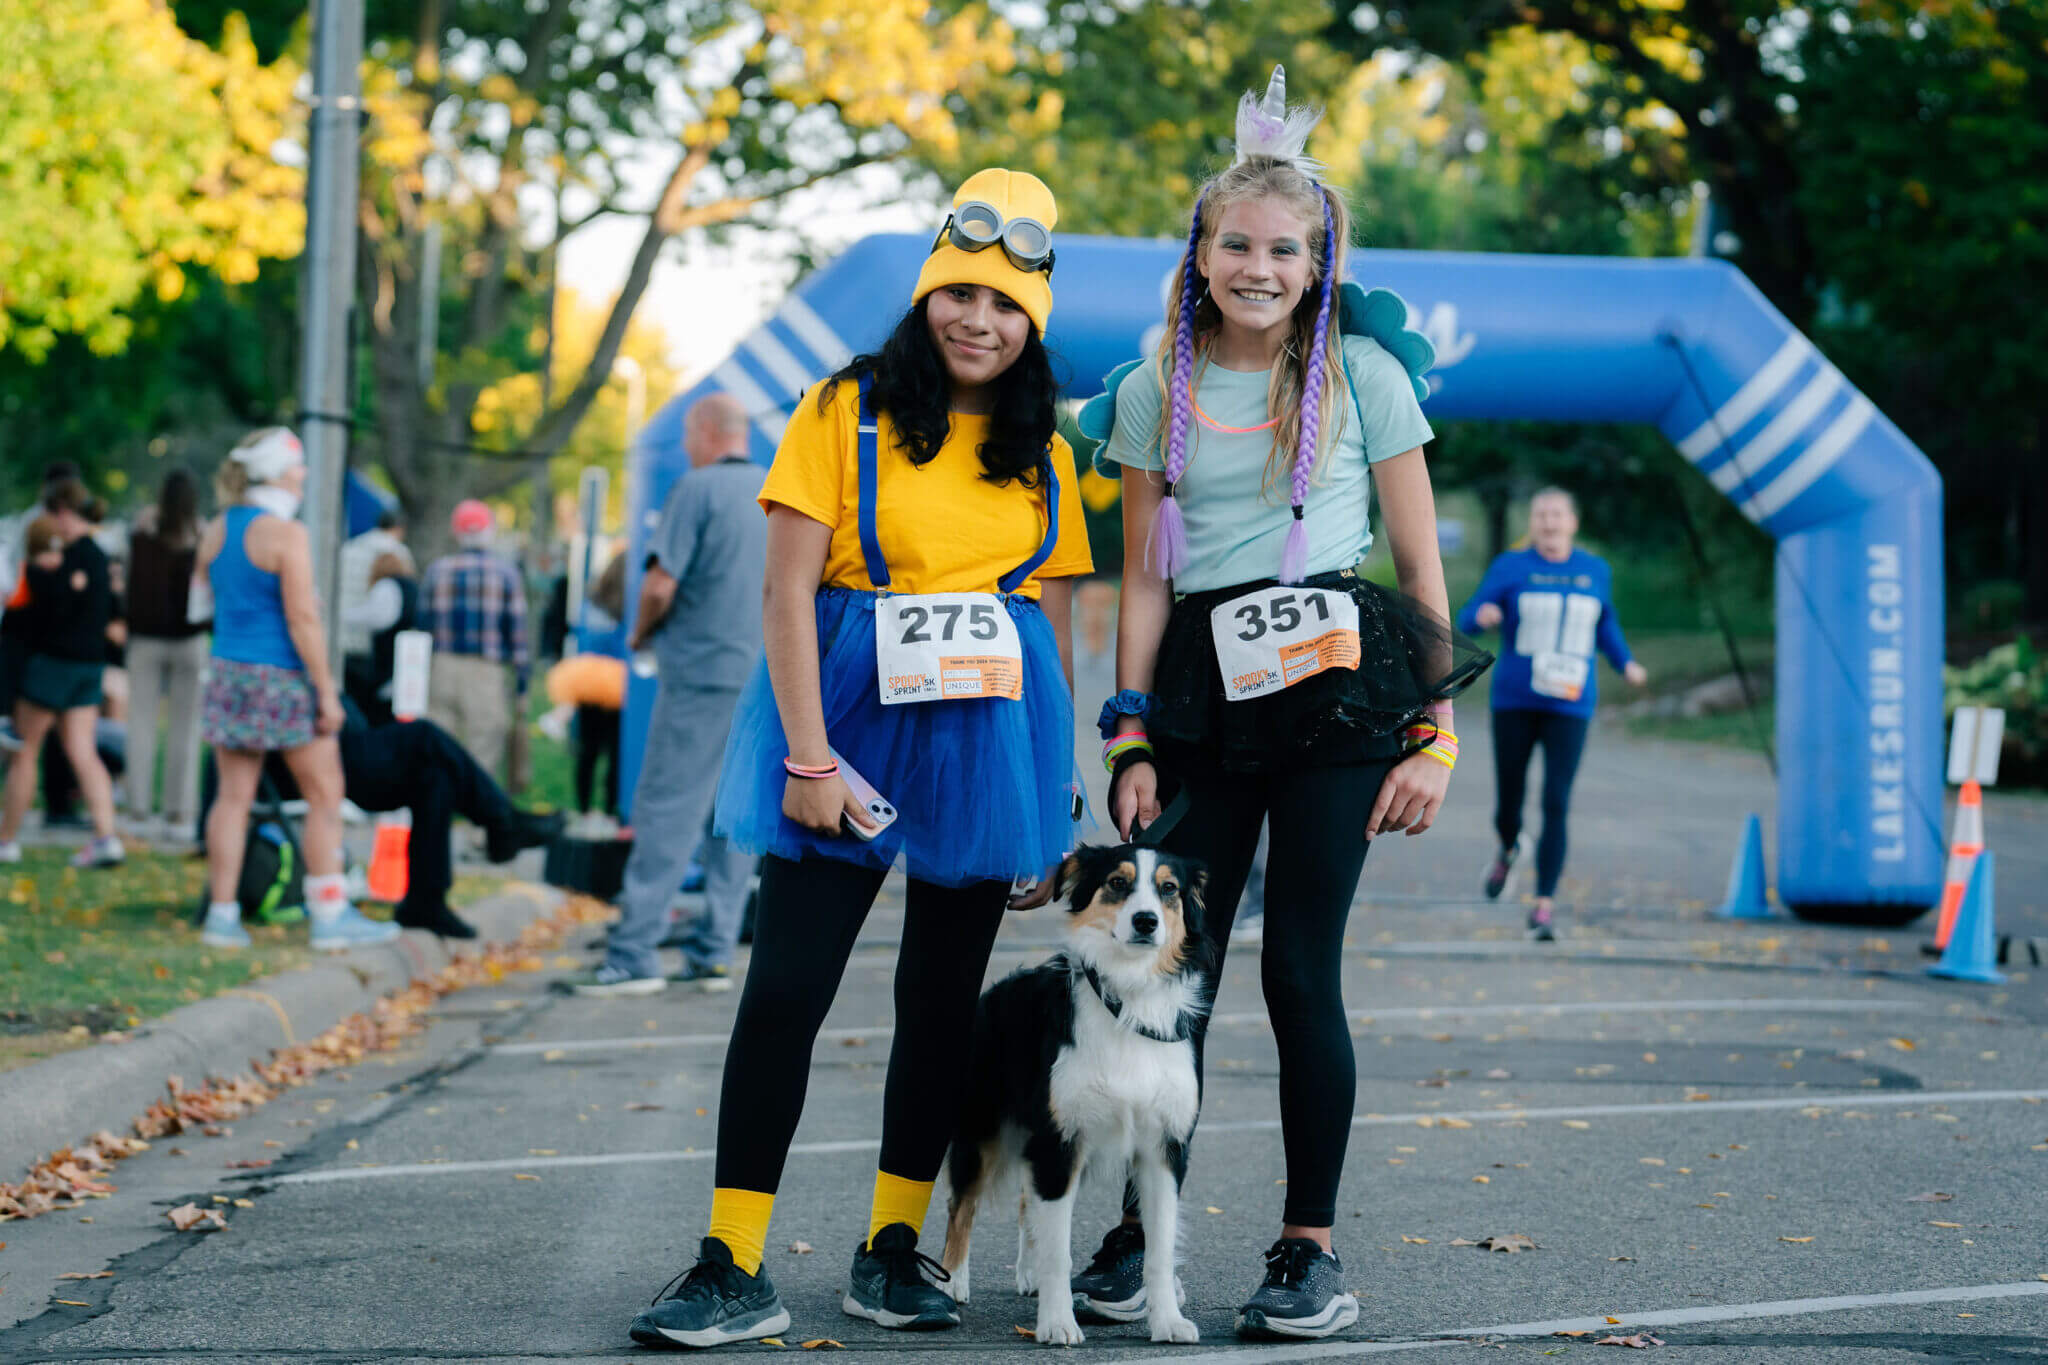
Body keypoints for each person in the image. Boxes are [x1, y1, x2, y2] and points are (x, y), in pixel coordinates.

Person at [623, 167, 1092, 1351]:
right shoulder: (845, 407)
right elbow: (785, 591)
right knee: (786, 988)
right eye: (959, 293)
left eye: (1005, 305)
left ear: (1033, 319)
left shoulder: (1043, 443)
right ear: (926, 292)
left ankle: (892, 1251)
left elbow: (1051, 625)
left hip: (984, 734)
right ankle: (731, 1261)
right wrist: (808, 756)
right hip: (843, 719)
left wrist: (1049, 796)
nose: (977, 320)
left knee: (937, 1004)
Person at [1084, 68, 1489, 1340]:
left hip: (1335, 695)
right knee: (1170, 973)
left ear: (1317, 265)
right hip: (1201, 695)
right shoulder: (1152, 388)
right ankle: (1140, 1236)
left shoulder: (1363, 377)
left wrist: (1434, 734)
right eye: (1235, 245)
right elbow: (1142, 580)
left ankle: (1306, 1250)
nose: (1257, 268)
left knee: (1299, 972)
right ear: (1198, 255)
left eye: (1283, 250)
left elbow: (1418, 568)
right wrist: (1130, 731)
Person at [562, 395, 768, 998]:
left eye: (687, 436)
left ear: (705, 431)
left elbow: (659, 584)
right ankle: (713, 953)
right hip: (761, 680)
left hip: (699, 673)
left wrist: (640, 633)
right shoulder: (775, 490)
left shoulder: (695, 489)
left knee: (667, 809)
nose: (684, 447)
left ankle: (633, 956)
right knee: (732, 818)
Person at [193, 428, 397, 951]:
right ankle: (329, 913)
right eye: (297, 465)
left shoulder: (216, 529)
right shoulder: (287, 534)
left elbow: (200, 605)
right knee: (325, 793)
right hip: (280, 676)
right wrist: (326, 691)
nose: (304, 474)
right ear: (278, 472)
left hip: (229, 671)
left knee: (232, 799)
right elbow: (303, 619)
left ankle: (221, 916)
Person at [1456, 487, 1647, 940]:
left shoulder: (1594, 570)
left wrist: (1625, 663)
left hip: (1570, 703)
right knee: (1509, 800)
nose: (1549, 522)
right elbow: (1467, 617)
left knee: (1556, 801)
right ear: (1533, 522)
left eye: (1557, 514)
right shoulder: (1511, 567)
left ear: (1572, 523)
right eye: (1541, 514)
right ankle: (1508, 848)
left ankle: (1543, 905)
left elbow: (1605, 623)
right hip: (1515, 700)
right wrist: (1482, 615)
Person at [0, 486, 127, 867]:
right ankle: (106, 837)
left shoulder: (64, 560)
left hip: (54, 666)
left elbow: (40, 617)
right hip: (90, 667)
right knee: (83, 752)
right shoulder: (101, 558)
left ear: (65, 513)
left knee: (24, 752)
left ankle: (6, 839)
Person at [124, 468, 209, 835]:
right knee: (185, 728)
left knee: (140, 723)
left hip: (145, 637)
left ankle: (138, 808)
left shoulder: (142, 533)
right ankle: (179, 810)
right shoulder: (201, 536)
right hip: (189, 638)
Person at [418, 500, 529, 782]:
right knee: (484, 744)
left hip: (441, 666)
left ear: (457, 533)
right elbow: (517, 634)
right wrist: (522, 682)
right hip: (485, 670)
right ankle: (474, 806)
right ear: (489, 531)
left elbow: (422, 625)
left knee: (440, 742)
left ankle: (441, 801)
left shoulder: (437, 570)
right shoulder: (505, 573)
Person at [339, 507, 413, 708]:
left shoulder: (350, 548)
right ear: (399, 529)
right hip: (375, 649)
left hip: (344, 639)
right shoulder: (398, 553)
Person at [341, 550, 419, 726]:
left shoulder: (387, 585)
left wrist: (343, 616)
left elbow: (378, 617)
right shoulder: (411, 586)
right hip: (409, 660)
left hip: (388, 660)